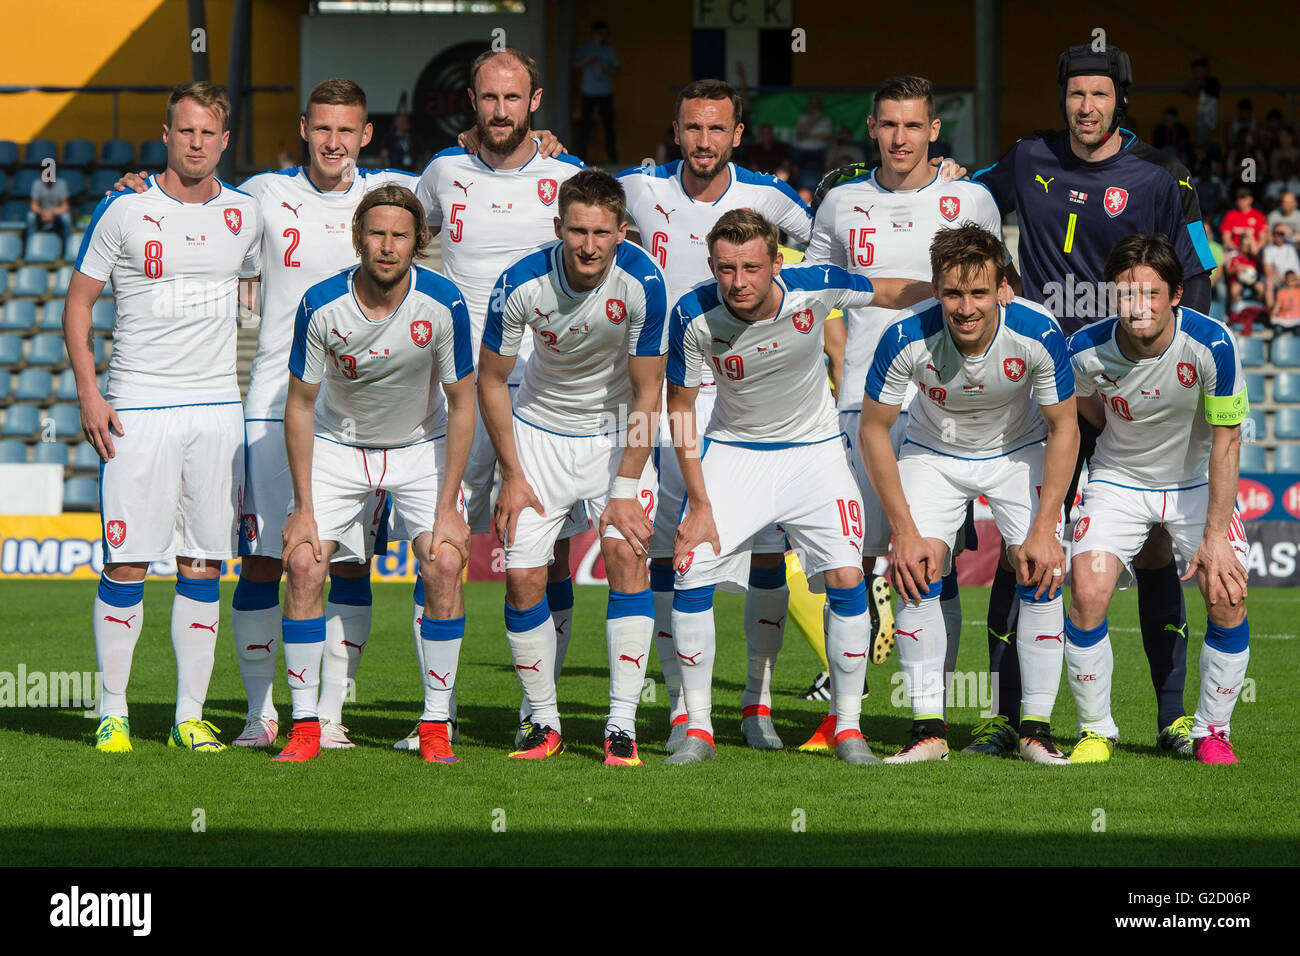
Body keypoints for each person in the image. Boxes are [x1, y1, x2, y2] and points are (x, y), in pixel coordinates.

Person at [110, 78, 422, 749]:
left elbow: (480, 188)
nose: (335, 142)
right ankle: (259, 715)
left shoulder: (397, 196)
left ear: (366, 135)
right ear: (304, 128)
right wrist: (137, 185)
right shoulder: (260, 197)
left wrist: (550, 146)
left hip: (357, 419)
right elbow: (189, 201)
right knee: (260, 560)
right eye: (324, 129)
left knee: (345, 563)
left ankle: (330, 716)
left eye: (349, 131)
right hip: (270, 410)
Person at [971, 42, 1217, 756]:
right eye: (1076, 94)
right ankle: (1007, 714)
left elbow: (1197, 270)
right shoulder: (1026, 158)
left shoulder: (1164, 174)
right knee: (1028, 548)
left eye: (1100, 95)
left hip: (1133, 390)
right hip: (1048, 393)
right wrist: (1005, 275)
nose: (1086, 107)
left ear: (1120, 100)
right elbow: (969, 203)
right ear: (1064, 99)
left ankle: (1172, 717)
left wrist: (1182, 362)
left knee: (1155, 555)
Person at [663, 209, 928, 766]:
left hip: (815, 453)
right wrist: (701, 502)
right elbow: (681, 409)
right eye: (726, 268)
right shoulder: (693, 314)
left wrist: (952, 290)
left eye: (751, 268)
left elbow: (887, 291)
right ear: (712, 265)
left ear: (777, 264)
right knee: (688, 568)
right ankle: (699, 730)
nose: (738, 282)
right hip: (734, 453)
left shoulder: (815, 286)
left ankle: (849, 731)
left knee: (847, 575)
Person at [803, 75, 1014, 752]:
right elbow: (812, 296)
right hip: (854, 400)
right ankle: (847, 710)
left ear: (933, 131)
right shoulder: (840, 202)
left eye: (913, 125)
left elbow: (994, 291)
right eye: (888, 124)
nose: (900, 138)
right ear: (872, 127)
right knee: (849, 557)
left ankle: (935, 714)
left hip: (942, 405)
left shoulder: (969, 198)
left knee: (933, 559)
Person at [616, 78, 815, 752]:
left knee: (766, 548)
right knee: (670, 549)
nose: (704, 142)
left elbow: (824, 258)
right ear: (676, 131)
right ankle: (683, 710)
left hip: (743, 399)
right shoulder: (639, 189)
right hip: (655, 396)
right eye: (692, 128)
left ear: (737, 134)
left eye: (716, 129)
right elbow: (569, 204)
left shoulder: (769, 197)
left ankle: (755, 705)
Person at [64, 81, 262, 753]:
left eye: (208, 133)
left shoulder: (246, 214)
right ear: (166, 134)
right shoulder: (123, 208)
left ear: (224, 140)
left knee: (204, 564)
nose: (196, 143)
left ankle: (187, 717)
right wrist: (91, 395)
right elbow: (78, 305)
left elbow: (268, 290)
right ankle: (112, 713)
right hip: (137, 409)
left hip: (215, 411)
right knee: (126, 563)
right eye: (185, 131)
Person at [415, 48, 588, 747]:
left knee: (545, 558)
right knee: (440, 547)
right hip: (458, 391)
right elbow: (377, 223)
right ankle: (439, 713)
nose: (499, 111)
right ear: (472, 103)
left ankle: (537, 708)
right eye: (488, 98)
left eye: (513, 99)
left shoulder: (569, 177)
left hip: (541, 395)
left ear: (535, 100)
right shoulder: (441, 172)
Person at [861, 224, 1078, 764]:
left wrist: (1047, 528)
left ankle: (1036, 731)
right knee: (916, 568)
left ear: (1002, 288)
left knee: (1038, 567)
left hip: (1018, 451)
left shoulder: (1037, 332)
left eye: (979, 292)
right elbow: (872, 429)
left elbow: (1065, 428)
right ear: (936, 288)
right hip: (933, 454)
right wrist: (906, 533)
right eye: (954, 292)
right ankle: (928, 730)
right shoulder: (904, 336)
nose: (966, 307)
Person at [275, 185, 475, 763]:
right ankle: (307, 724)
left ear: (420, 242)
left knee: (442, 561)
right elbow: (300, 404)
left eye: (401, 236)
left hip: (419, 445)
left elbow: (462, 403)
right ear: (358, 236)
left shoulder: (444, 303)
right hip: (340, 445)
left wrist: (446, 508)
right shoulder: (321, 304)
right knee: (305, 562)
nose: (388, 247)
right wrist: (302, 505)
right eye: (378, 234)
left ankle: (436, 723)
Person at [478, 169, 666, 764]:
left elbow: (647, 394)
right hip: (536, 434)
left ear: (621, 232)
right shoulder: (519, 282)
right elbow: (490, 379)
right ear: (558, 227)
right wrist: (512, 473)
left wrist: (627, 486)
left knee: (625, 556)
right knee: (523, 577)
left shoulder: (644, 281)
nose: (589, 245)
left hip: (615, 436)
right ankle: (543, 720)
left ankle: (621, 725)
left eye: (602, 233)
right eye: (577, 231)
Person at [1064, 234, 1250, 765]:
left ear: (1175, 295)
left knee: (1227, 595)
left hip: (1196, 483)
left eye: (1149, 293)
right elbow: (1087, 413)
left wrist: (1215, 537)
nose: (1136, 306)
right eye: (1125, 294)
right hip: (1118, 480)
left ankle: (1213, 732)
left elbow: (1227, 439)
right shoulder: (1084, 350)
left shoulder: (1213, 345)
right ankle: (1096, 731)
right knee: (1089, 591)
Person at [572, 20, 620, 163]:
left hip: (605, 92)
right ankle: (581, 158)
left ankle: (612, 158)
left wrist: (605, 67)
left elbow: (617, 70)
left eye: (605, 34)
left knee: (608, 125)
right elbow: (573, 65)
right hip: (588, 91)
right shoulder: (586, 48)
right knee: (585, 125)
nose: (602, 36)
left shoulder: (610, 50)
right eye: (600, 33)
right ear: (594, 33)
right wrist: (589, 59)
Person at [26, 174, 72, 248]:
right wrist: (42, 213)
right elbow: (33, 205)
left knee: (66, 218)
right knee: (30, 217)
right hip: (41, 215)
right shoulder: (37, 183)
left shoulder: (62, 183)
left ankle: (68, 248)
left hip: (57, 215)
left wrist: (52, 213)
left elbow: (65, 206)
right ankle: (30, 247)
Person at [1220, 186, 1268, 253]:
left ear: (1250, 199)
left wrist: (1255, 249)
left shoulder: (1258, 215)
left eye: (1244, 199)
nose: (1241, 202)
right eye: (1239, 199)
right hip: (1235, 251)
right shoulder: (1230, 215)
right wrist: (1238, 251)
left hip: (1255, 251)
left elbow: (1263, 238)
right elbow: (1226, 238)